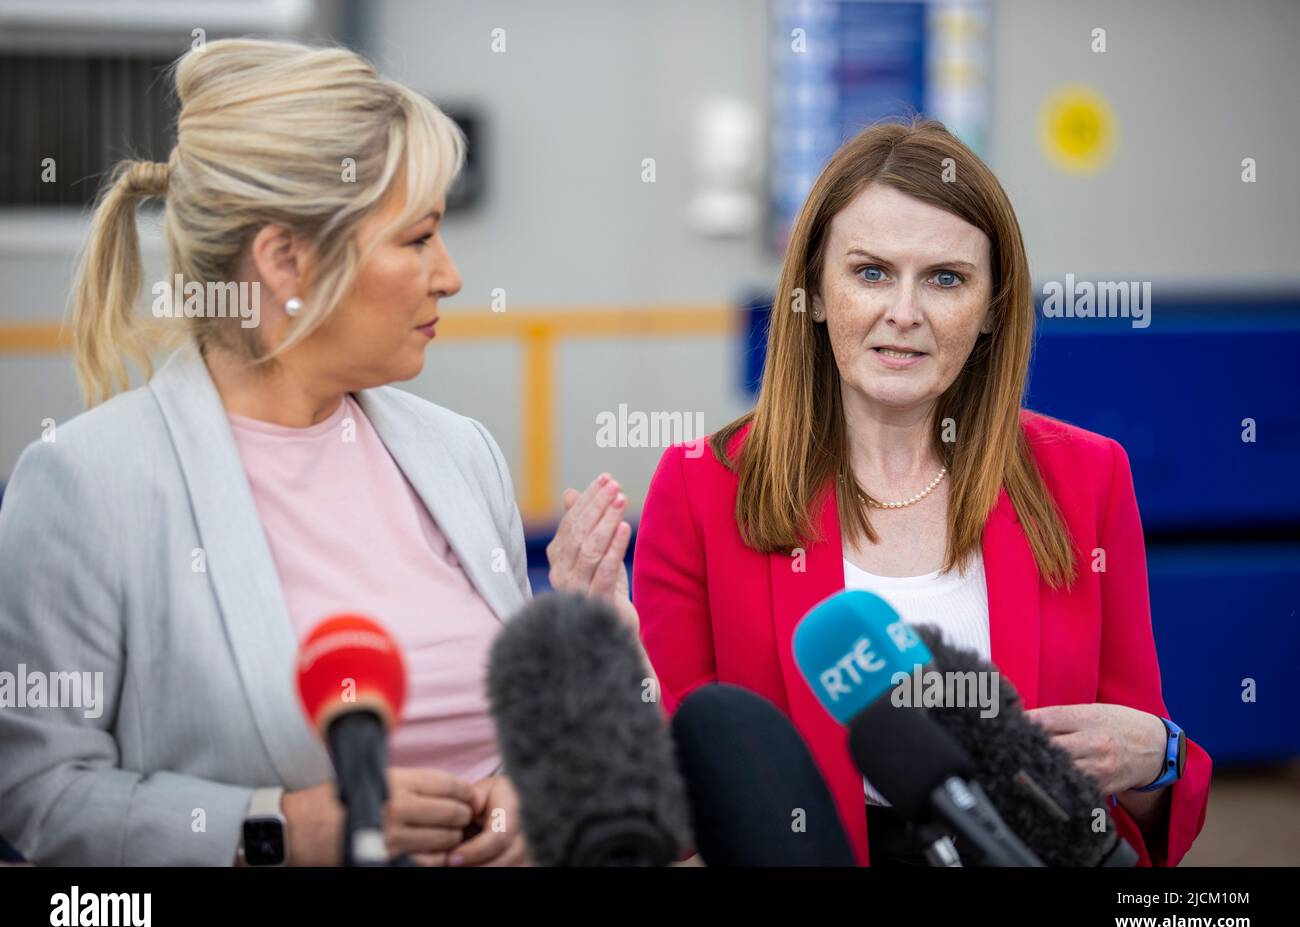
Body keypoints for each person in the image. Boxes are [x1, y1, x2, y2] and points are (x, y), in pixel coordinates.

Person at [0, 39, 529, 866]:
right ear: (287, 260)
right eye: (418, 238)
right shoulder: (89, 483)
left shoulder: (461, 454)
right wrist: (277, 828)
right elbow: (39, 793)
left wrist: (529, 801)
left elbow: (515, 747)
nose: (450, 275)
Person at [630, 118, 1211, 866]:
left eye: (946, 278)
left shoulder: (1087, 478)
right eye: (871, 272)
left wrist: (1160, 756)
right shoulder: (701, 488)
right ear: (812, 290)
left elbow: (1143, 799)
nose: (904, 313)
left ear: (995, 306)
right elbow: (681, 795)